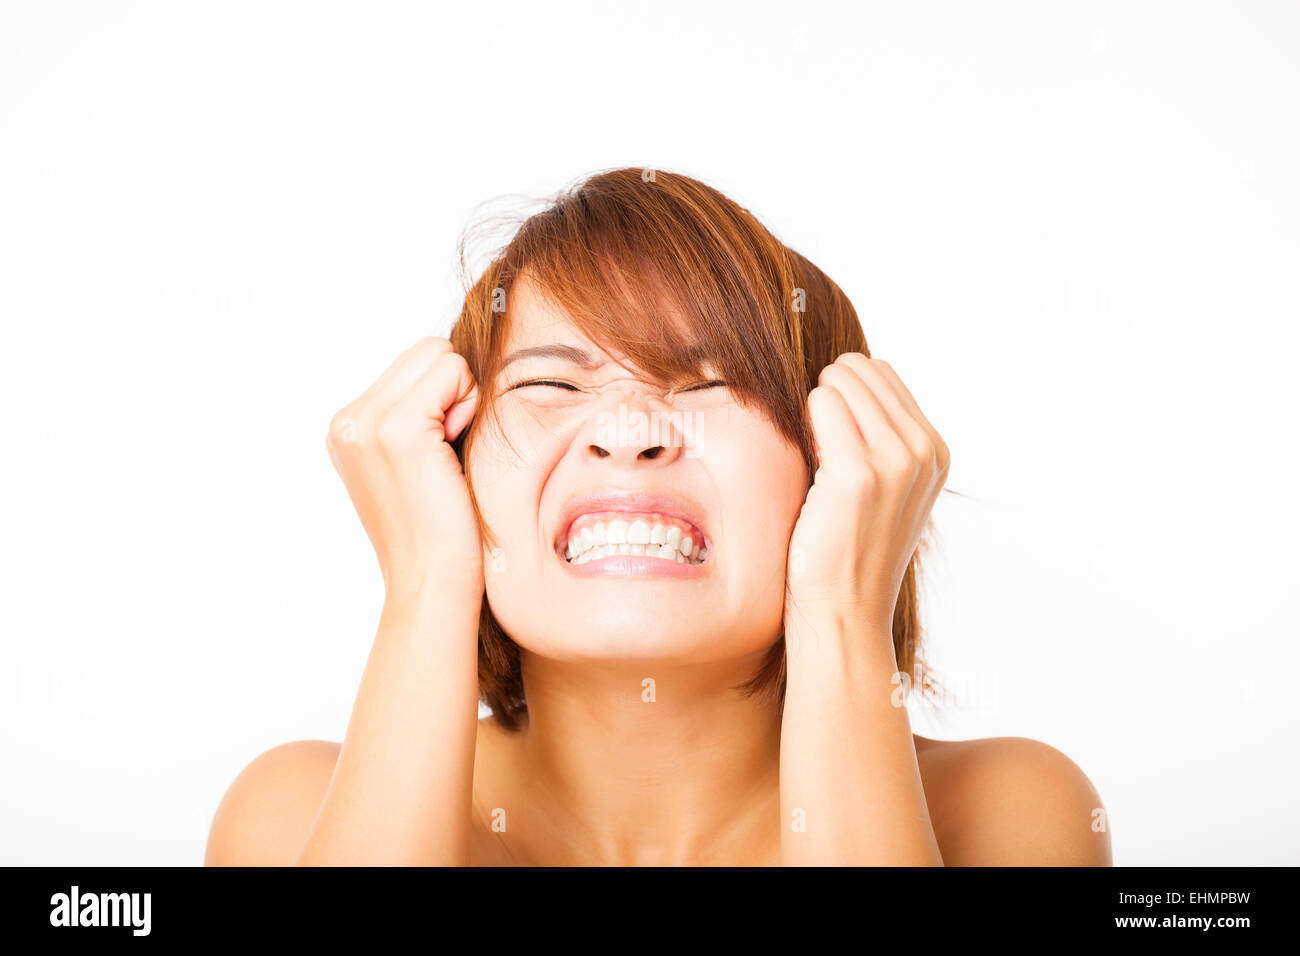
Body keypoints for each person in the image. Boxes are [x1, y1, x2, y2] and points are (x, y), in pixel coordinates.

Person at [205, 169, 1112, 866]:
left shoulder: (1009, 814)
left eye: (709, 385)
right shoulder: (292, 817)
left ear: (838, 466)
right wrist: (427, 586)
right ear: (451, 470)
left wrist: (841, 609)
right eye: (552, 383)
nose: (630, 432)